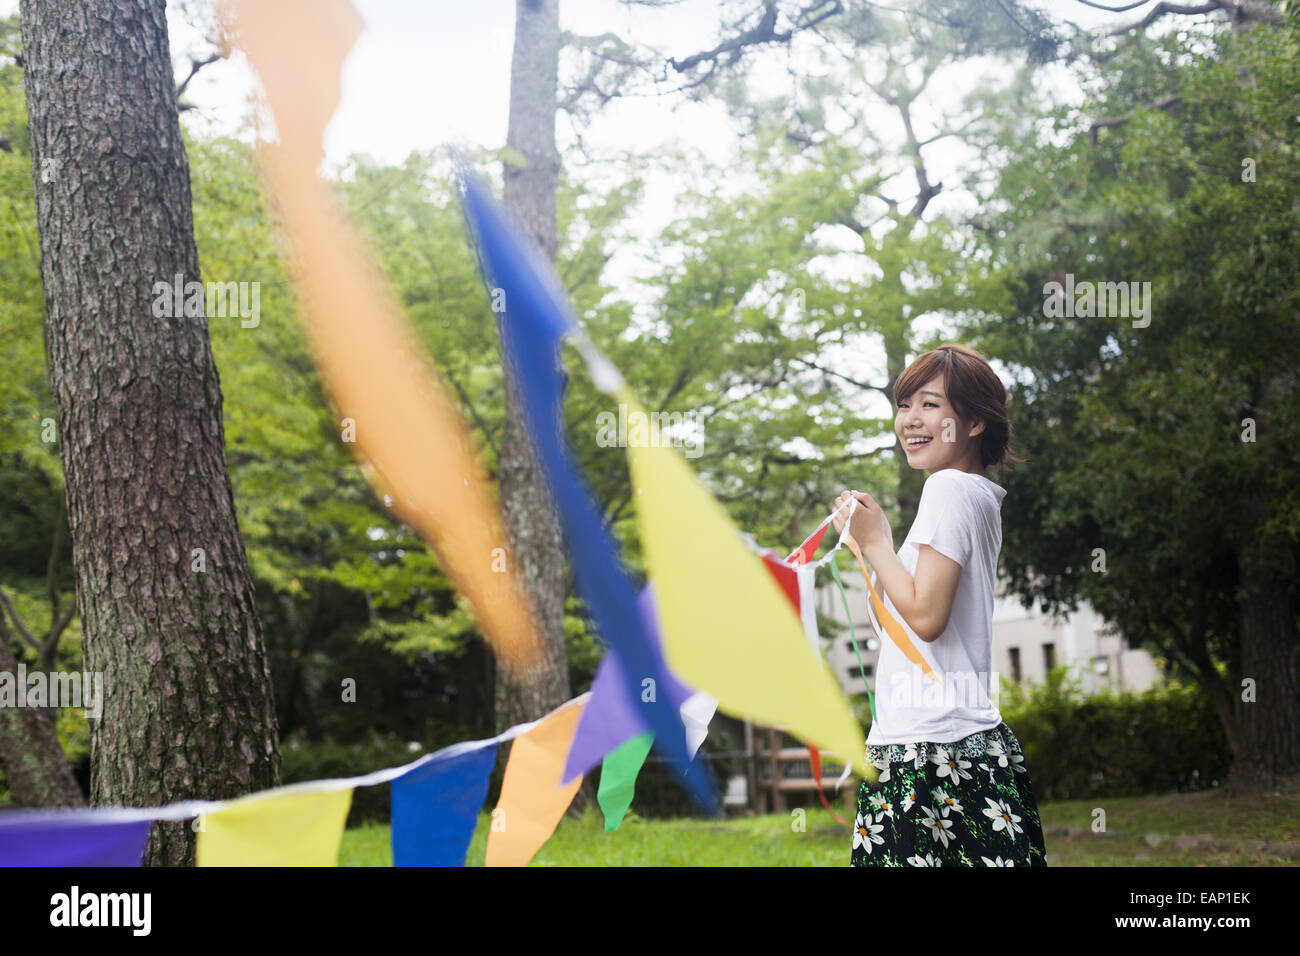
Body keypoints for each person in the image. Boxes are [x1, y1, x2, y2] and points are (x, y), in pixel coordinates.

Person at [833, 343, 1048, 867]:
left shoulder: (949, 490)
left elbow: (926, 619)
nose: (910, 419)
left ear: (974, 423)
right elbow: (907, 621)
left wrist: (879, 544)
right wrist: (872, 541)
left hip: (934, 751)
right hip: (938, 741)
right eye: (904, 404)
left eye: (930, 404)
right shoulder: (969, 493)